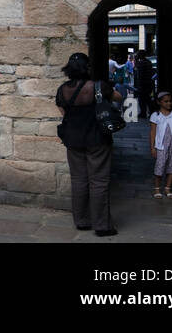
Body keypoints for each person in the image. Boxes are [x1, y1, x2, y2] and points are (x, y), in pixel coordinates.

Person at [55, 51, 122, 237]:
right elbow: (118, 97)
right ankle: (102, 225)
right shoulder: (98, 86)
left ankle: (82, 221)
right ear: (87, 68)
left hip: (73, 139)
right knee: (99, 180)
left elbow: (63, 112)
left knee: (78, 180)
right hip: (98, 138)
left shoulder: (62, 90)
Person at [134, 50, 154, 121]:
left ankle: (143, 113)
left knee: (142, 99)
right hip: (149, 83)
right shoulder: (149, 62)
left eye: (138, 54)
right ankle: (151, 112)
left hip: (143, 84)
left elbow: (138, 72)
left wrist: (136, 60)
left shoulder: (141, 63)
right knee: (148, 99)